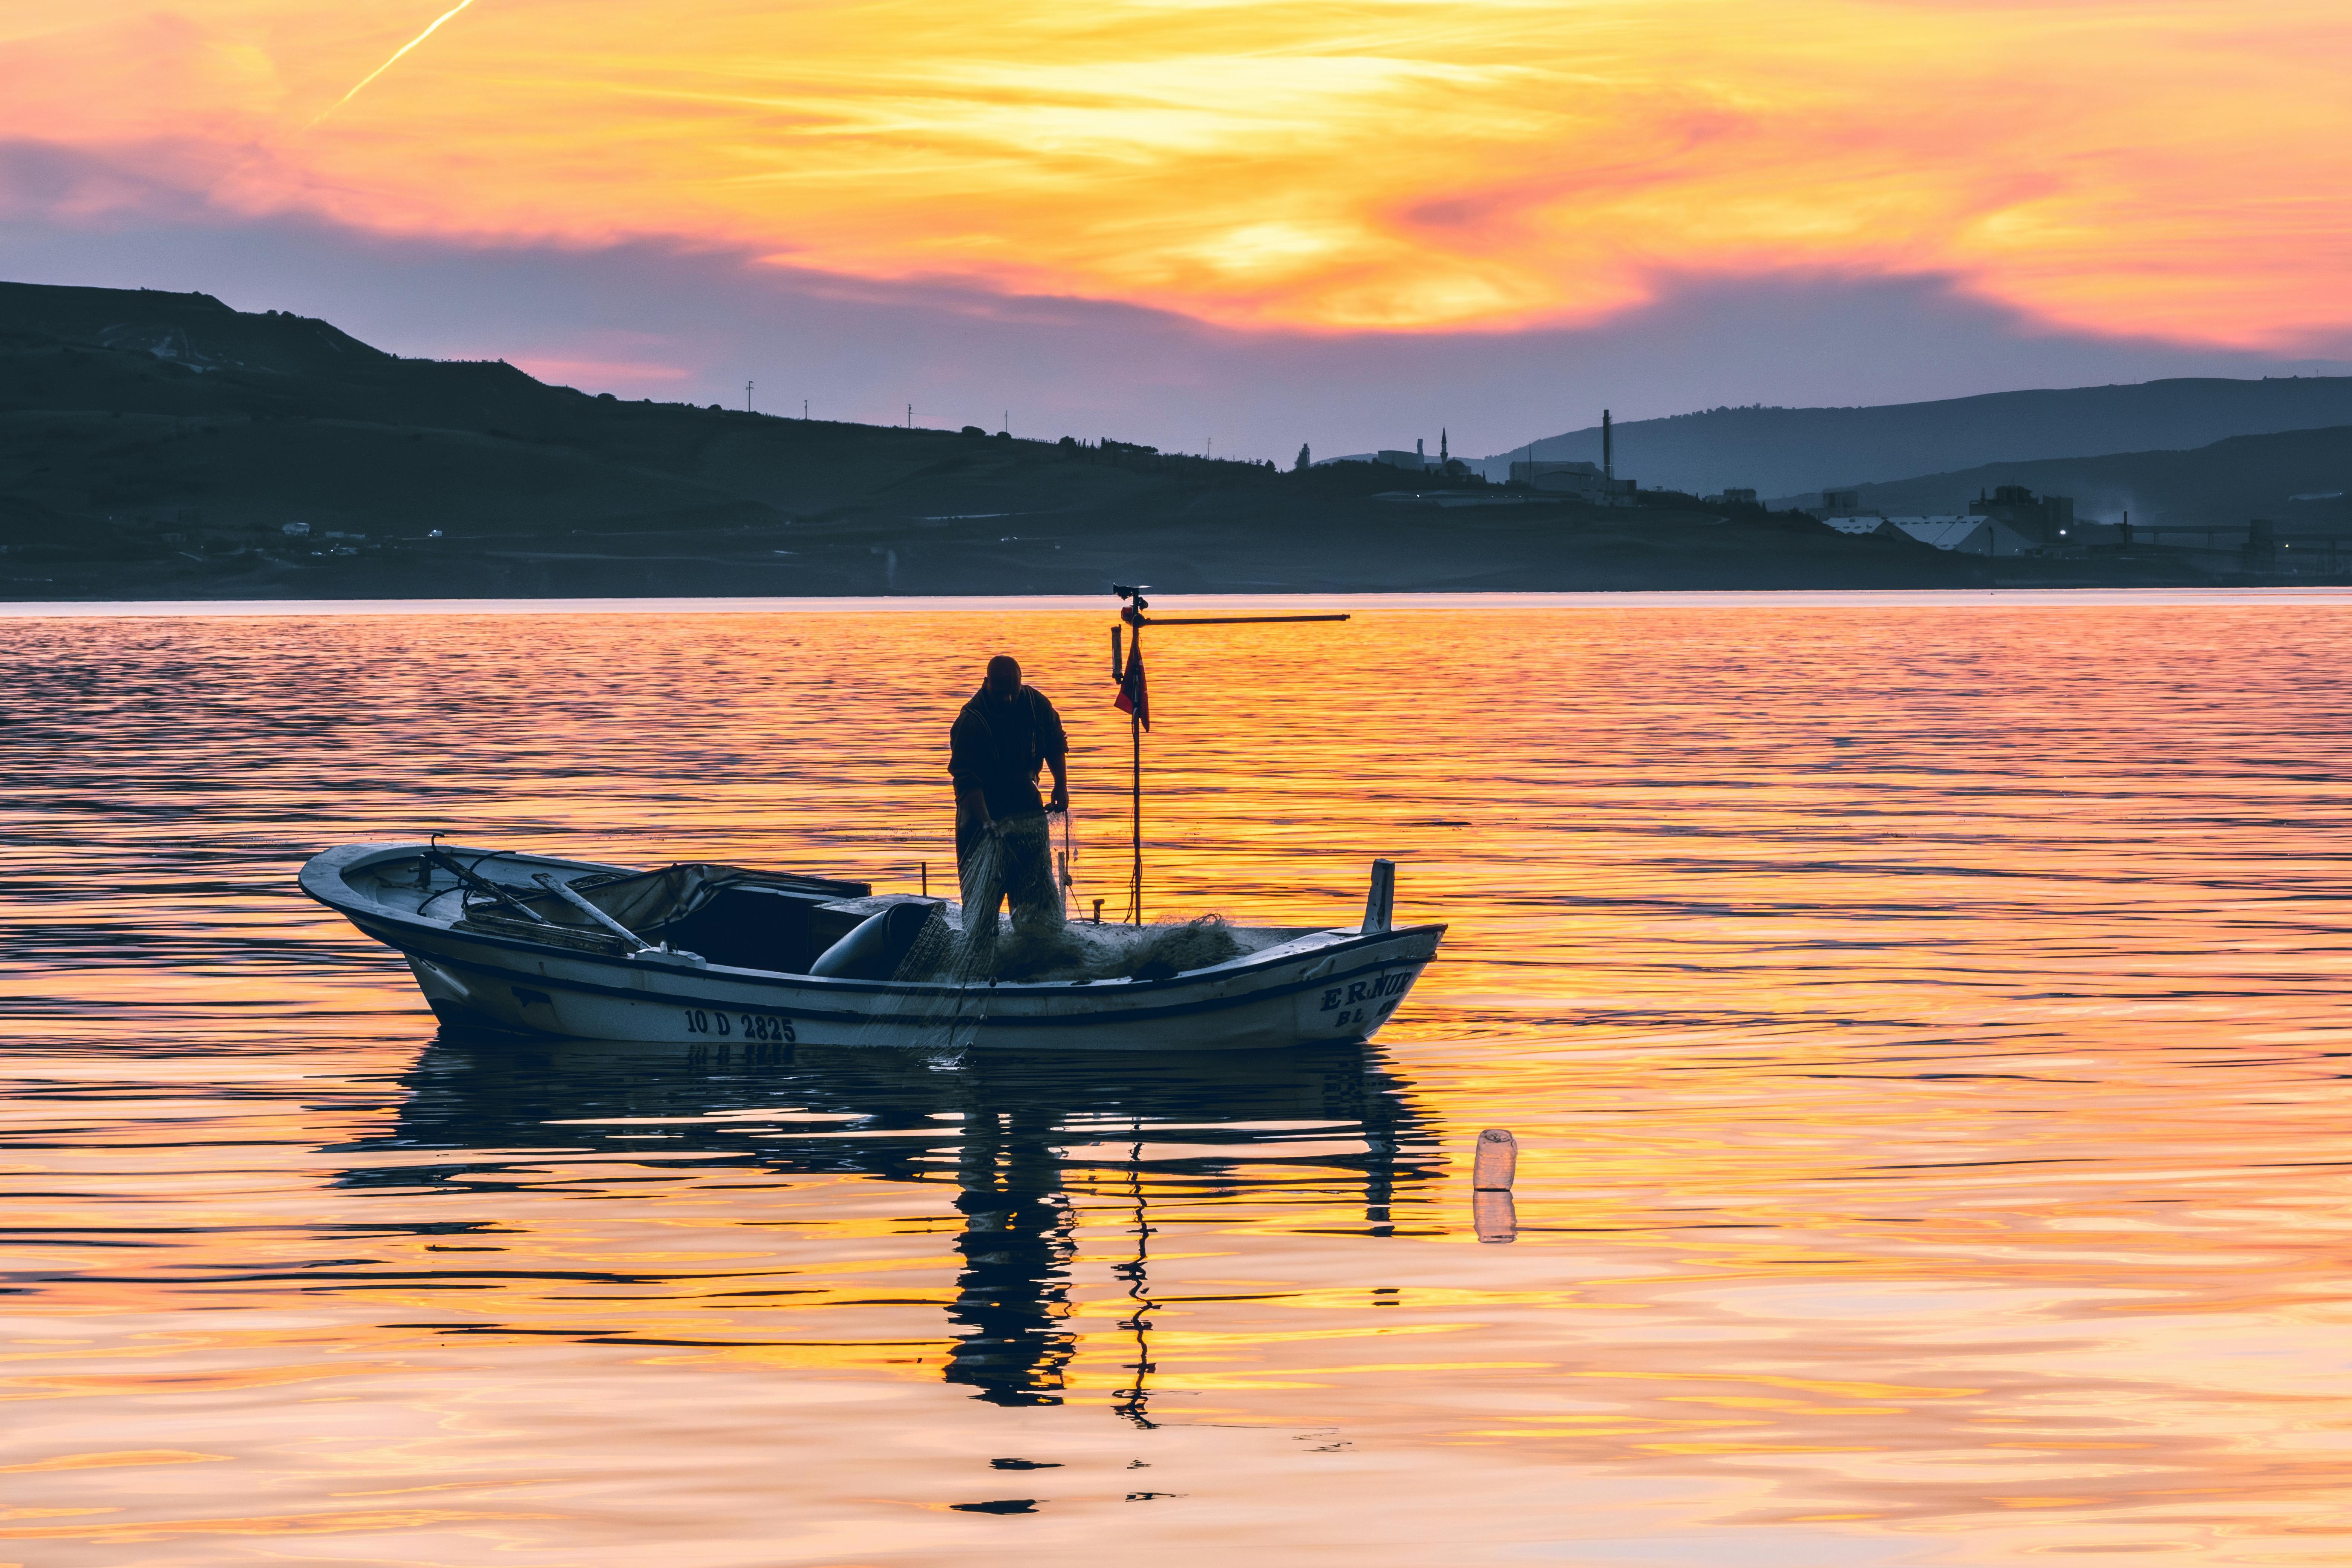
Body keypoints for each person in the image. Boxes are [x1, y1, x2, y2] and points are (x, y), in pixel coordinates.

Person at [949, 655, 1069, 971]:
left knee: (1035, 893)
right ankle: (980, 963)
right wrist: (986, 820)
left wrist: (1061, 785)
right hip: (981, 817)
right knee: (982, 903)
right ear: (987, 683)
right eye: (1002, 692)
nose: (1008, 698)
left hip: (1026, 809)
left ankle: (1038, 961)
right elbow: (966, 780)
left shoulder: (1035, 704)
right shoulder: (970, 721)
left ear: (1021, 682)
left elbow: (1055, 743)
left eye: (1013, 690)